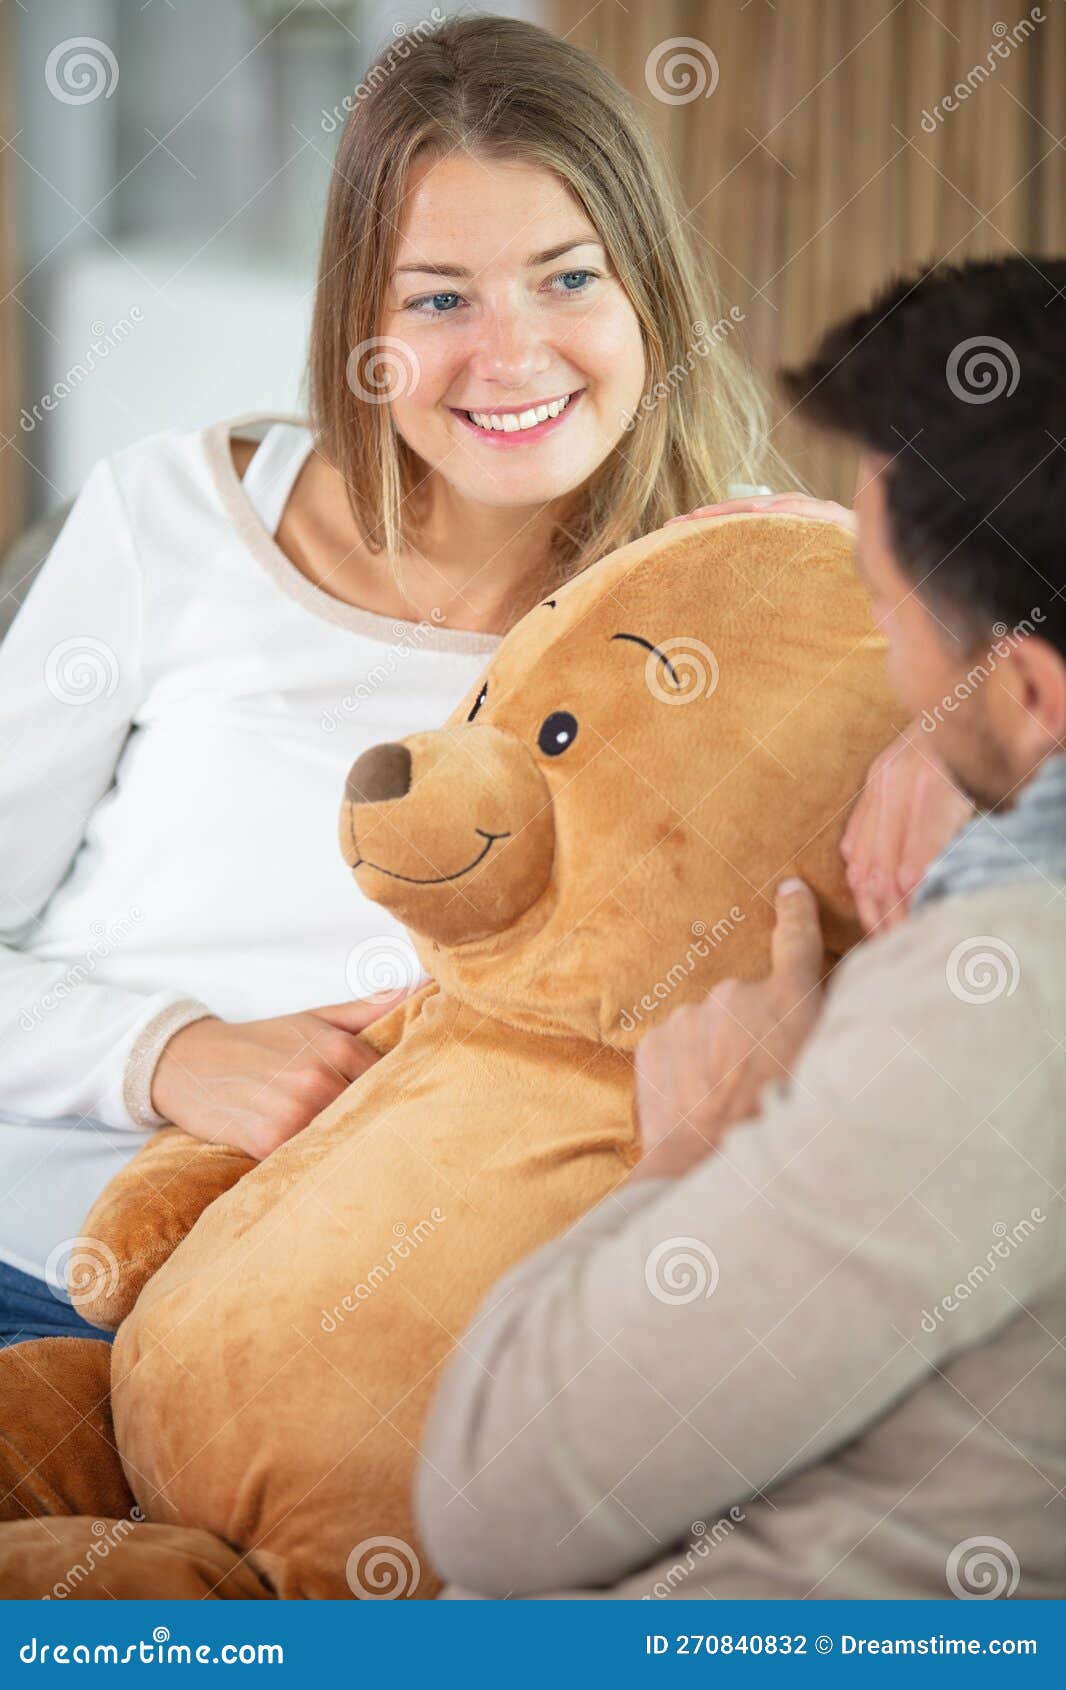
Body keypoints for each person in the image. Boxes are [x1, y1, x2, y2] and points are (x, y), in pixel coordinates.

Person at [0, 15, 957, 1348]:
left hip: (429, 1356)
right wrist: (169, 1051)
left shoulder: (747, 609)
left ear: (648, 297)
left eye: (566, 279)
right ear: (362, 329)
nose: (510, 355)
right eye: (438, 296)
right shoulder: (170, 519)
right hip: (44, 1274)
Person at [415, 254, 1066, 1601]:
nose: (891, 685)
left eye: (881, 614)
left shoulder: (999, 1004)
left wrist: (697, 1146)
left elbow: (490, 1499)